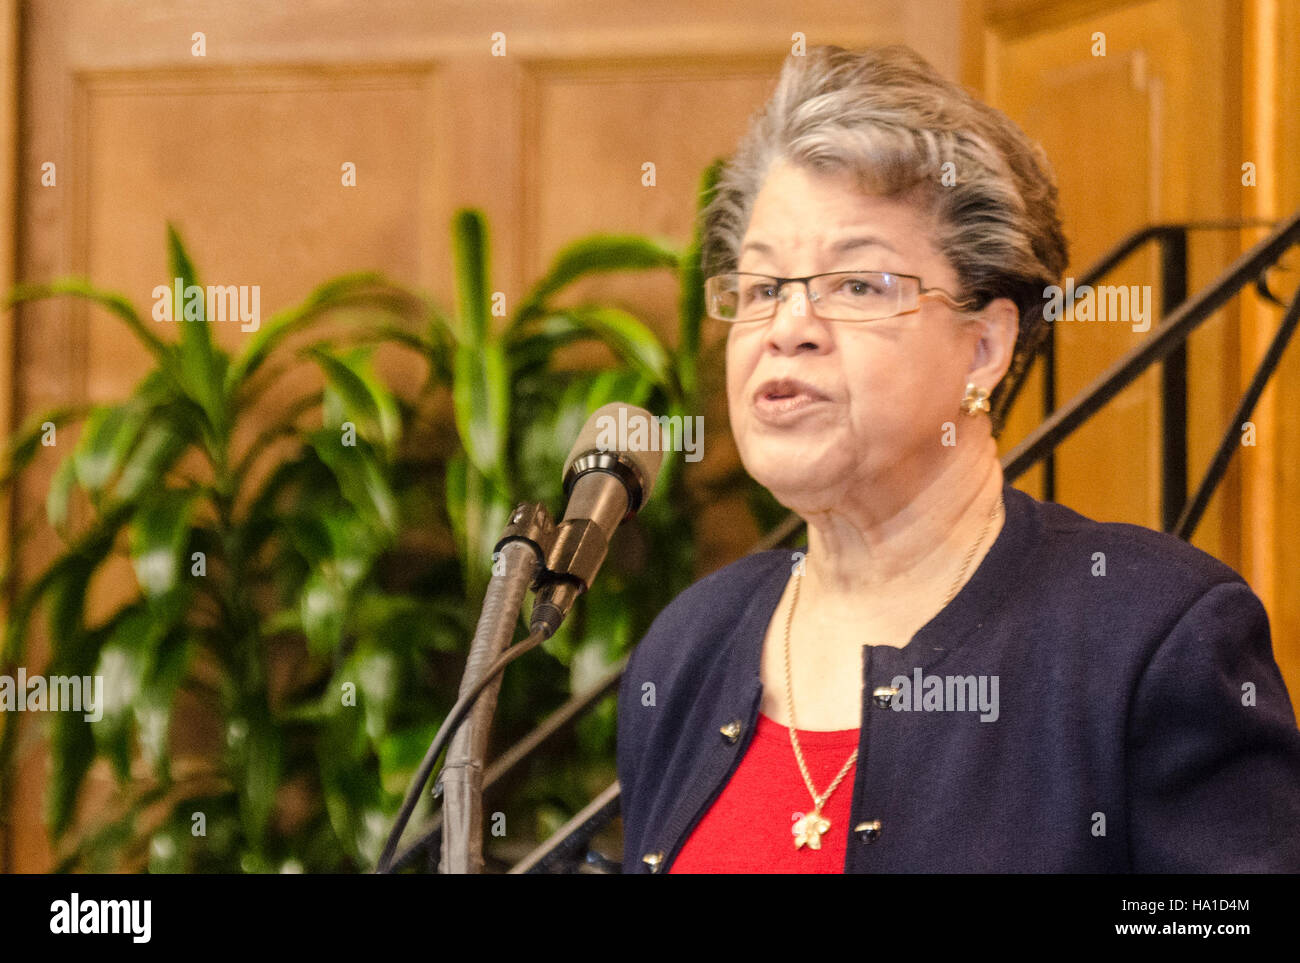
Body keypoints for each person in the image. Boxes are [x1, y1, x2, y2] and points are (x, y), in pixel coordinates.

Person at [615, 43, 1300, 873]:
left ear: (983, 347)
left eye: (856, 285)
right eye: (762, 288)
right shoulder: (690, 645)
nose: (787, 326)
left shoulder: (1147, 634)